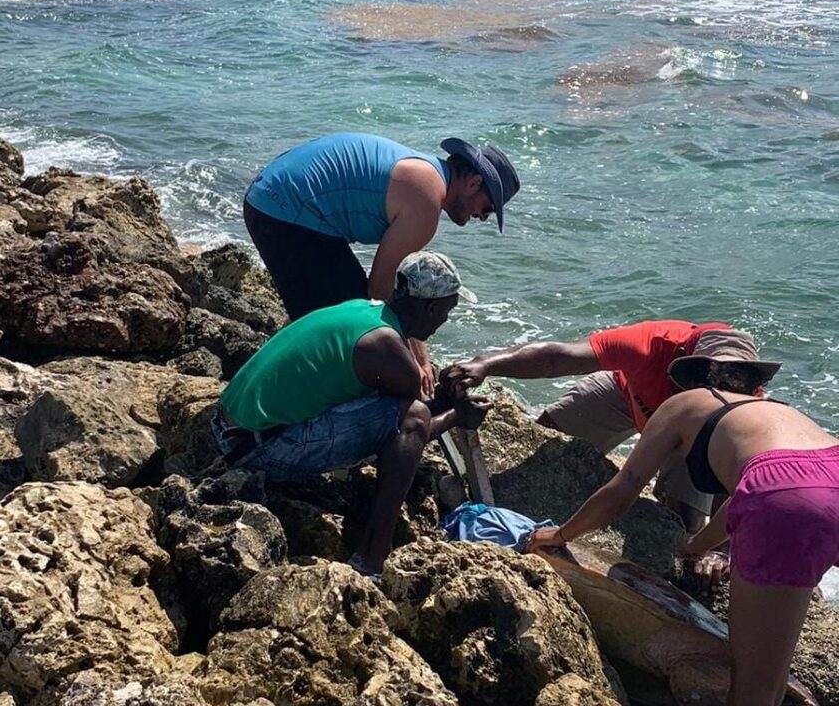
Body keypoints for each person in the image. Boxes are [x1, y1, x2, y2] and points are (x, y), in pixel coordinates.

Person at [523, 349, 839, 706]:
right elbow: (756, 493)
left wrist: (560, 535)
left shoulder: (683, 403)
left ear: (695, 379)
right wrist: (698, 546)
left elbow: (624, 488)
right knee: (771, 680)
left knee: (751, 702)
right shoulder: (776, 412)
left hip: (784, 499)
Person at [210, 250, 491, 579]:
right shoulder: (391, 354)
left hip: (226, 427)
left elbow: (381, 411)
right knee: (413, 415)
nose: (445, 319)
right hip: (256, 451)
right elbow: (411, 428)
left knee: (407, 411)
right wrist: (459, 416)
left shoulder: (362, 311)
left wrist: (445, 402)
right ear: (431, 307)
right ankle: (373, 556)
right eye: (448, 309)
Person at [442, 322, 776, 567]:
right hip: (627, 396)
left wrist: (721, 550)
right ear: (687, 361)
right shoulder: (650, 345)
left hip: (693, 439)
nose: (713, 395)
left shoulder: (745, 395)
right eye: (703, 385)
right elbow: (557, 358)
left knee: (681, 533)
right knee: (548, 442)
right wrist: (486, 364)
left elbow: (737, 477)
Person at [243, 132, 520, 394]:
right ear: (473, 183)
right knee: (352, 334)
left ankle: (271, 381)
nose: (482, 217)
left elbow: (391, 291)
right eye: (488, 208)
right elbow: (380, 288)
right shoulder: (426, 201)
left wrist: (415, 349)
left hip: (274, 197)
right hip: (286, 211)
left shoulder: (427, 174)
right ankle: (280, 399)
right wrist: (412, 358)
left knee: (340, 313)